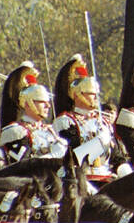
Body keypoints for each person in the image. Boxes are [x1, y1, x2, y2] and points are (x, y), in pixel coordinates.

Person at [53, 55, 125, 184]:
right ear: (77, 94)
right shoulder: (65, 121)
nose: (96, 97)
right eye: (92, 93)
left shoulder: (103, 122)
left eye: (97, 93)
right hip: (80, 180)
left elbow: (115, 155)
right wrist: (99, 142)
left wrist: (125, 171)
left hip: (106, 177)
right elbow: (73, 156)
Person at [0, 64, 67, 164]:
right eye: (42, 102)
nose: (48, 106)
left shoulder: (50, 130)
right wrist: (53, 156)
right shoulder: (16, 132)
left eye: (47, 102)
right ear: (27, 103)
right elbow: (23, 166)